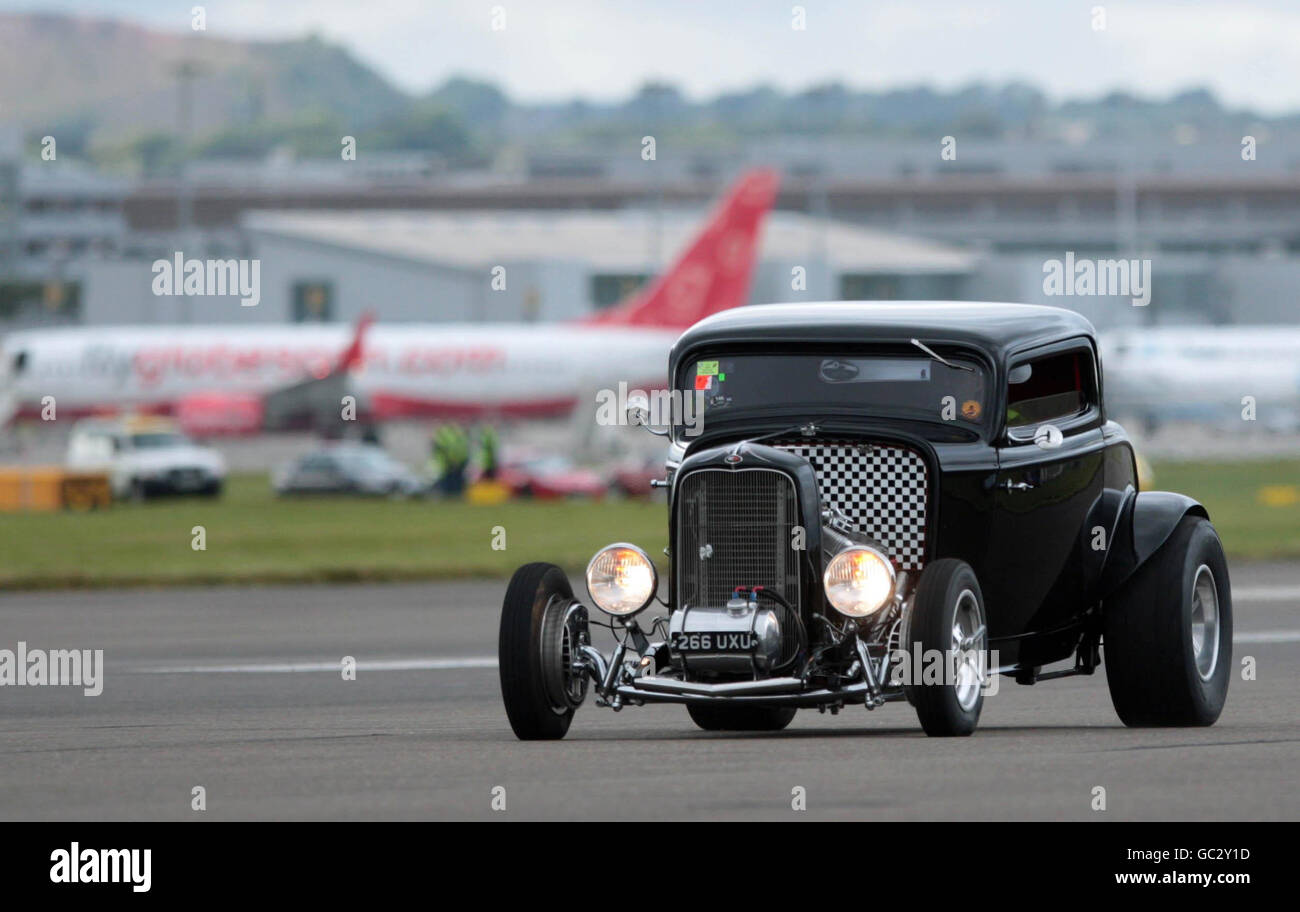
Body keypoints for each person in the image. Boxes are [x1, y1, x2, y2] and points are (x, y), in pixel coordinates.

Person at [429, 423, 470, 497]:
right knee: (449, 478)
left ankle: (453, 493)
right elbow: (448, 450)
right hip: (449, 462)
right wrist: (452, 460)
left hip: (456, 461)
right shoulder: (449, 437)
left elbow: (453, 450)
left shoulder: (454, 437)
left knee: (454, 478)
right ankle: (449, 493)